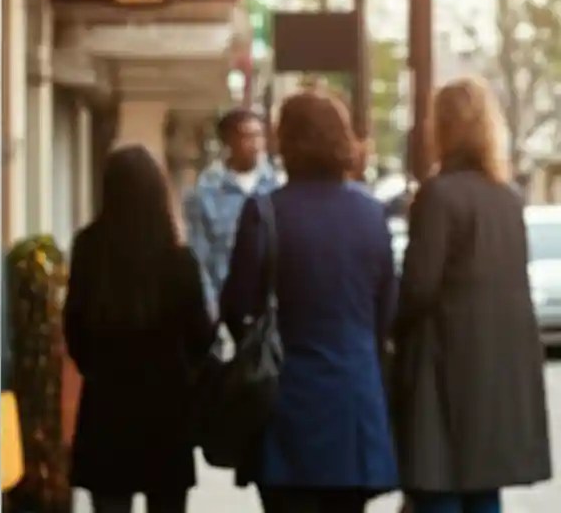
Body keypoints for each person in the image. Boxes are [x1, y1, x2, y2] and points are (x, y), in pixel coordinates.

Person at [221, 91, 398, 513]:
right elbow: (387, 310)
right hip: (353, 402)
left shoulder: (264, 213)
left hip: (286, 404)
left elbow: (236, 306)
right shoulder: (371, 214)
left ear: (285, 142)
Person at [392, 77, 551, 513]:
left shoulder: (439, 195)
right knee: (485, 490)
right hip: (497, 368)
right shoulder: (507, 198)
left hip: (443, 367)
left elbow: (419, 287)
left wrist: (389, 330)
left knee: (438, 486)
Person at [64, 145, 214, 513]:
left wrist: (96, 365)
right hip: (167, 409)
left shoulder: (89, 248)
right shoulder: (179, 259)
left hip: (107, 406)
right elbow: (201, 335)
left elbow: (74, 326)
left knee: (109, 502)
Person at [186, 108, 280, 312]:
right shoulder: (206, 192)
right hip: (225, 304)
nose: (255, 144)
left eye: (259, 135)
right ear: (228, 141)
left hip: (271, 309)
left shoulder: (276, 187)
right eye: (247, 136)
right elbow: (200, 256)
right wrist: (210, 307)